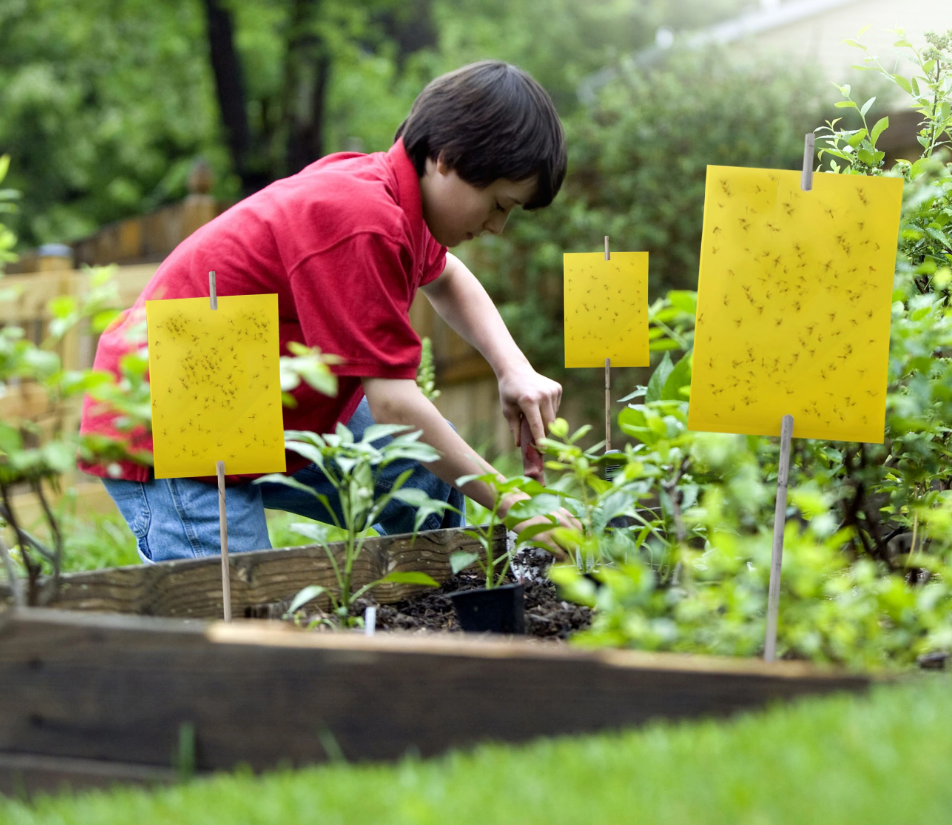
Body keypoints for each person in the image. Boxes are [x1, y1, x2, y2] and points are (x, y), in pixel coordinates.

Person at [79, 59, 570, 563]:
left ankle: (419, 608)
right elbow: (395, 406)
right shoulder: (364, 218)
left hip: (246, 377)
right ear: (446, 158)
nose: (498, 226)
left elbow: (446, 277)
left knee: (420, 473)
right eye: (498, 205)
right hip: (176, 393)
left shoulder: (398, 201)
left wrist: (512, 367)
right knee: (236, 596)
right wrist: (513, 502)